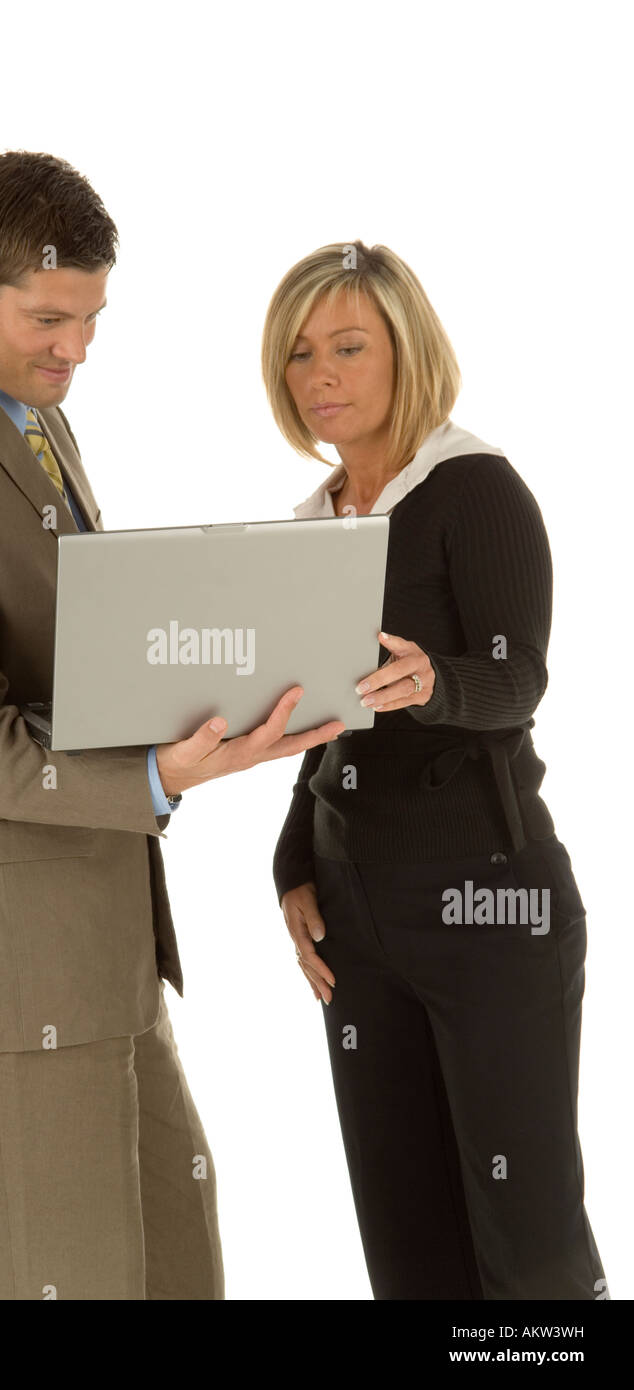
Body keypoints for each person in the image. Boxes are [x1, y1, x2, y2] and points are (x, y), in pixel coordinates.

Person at [0, 151, 345, 1301]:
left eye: (92, 319)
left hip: (102, 955)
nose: (76, 349)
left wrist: (212, 675)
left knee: (179, 1271)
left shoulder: (30, 417)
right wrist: (157, 771)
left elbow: (68, 657)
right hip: (8, 976)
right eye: (48, 319)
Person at [267, 240, 607, 1300]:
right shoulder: (310, 525)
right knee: (407, 1241)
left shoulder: (473, 488)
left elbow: (520, 679)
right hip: (354, 918)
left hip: (488, 905)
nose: (318, 374)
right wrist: (292, 862)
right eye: (299, 353)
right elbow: (315, 726)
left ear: (405, 350)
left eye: (348, 346)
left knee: (529, 1250)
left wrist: (434, 683)